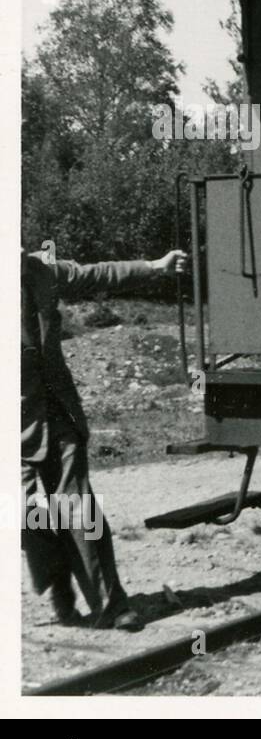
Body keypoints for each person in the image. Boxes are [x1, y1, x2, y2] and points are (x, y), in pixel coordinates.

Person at [21, 246, 188, 629]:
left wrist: (154, 266)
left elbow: (96, 273)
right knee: (27, 518)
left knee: (80, 510)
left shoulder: (43, 271)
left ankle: (112, 606)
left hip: (58, 414)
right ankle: (58, 583)